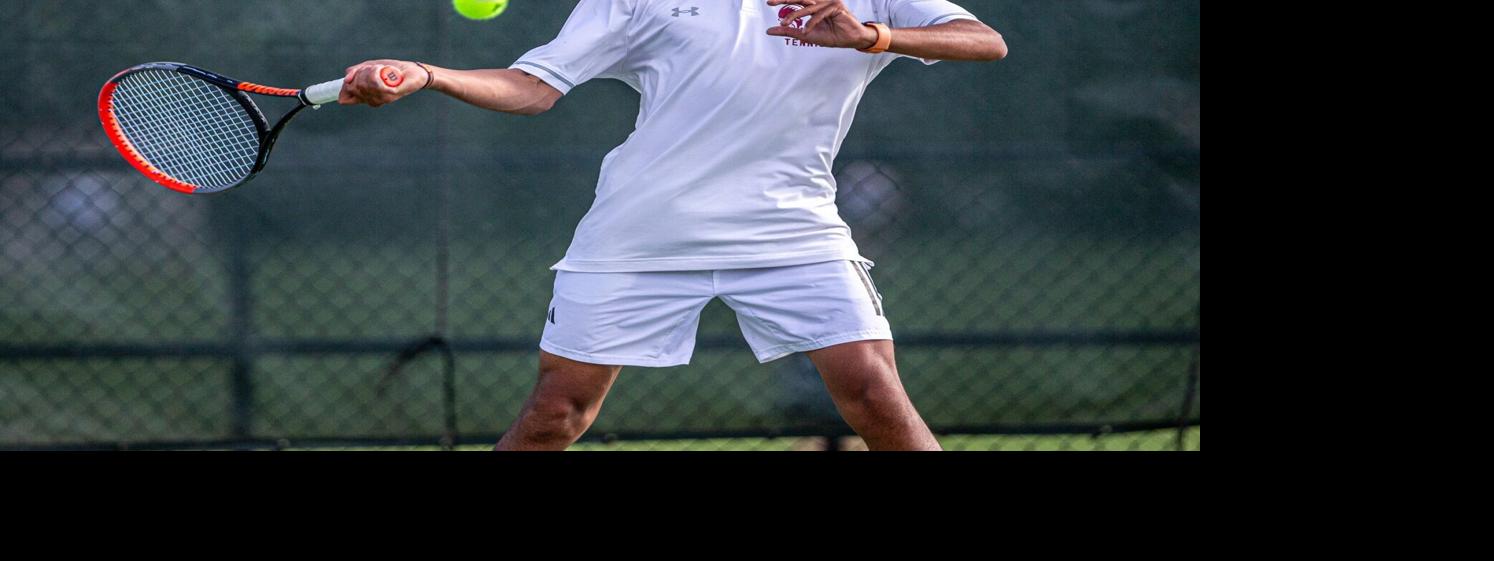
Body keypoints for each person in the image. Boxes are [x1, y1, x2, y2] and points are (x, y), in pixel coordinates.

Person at [339, 0, 1007, 451]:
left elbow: (985, 41)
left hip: (790, 229)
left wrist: (875, 38)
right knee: (554, 415)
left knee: (870, 389)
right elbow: (532, 86)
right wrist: (427, 74)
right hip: (643, 229)